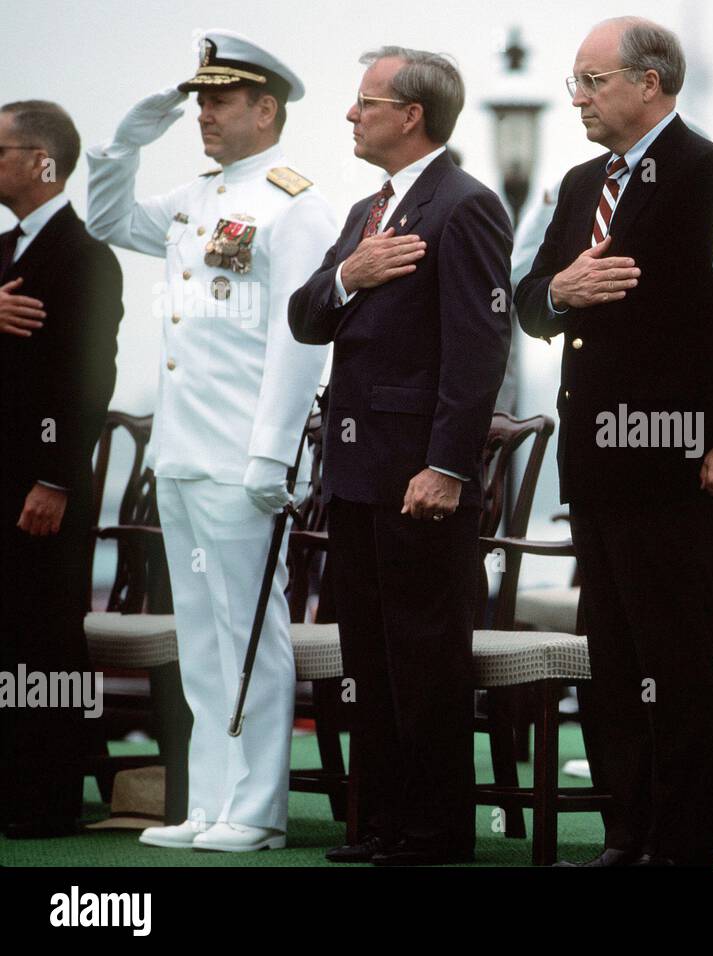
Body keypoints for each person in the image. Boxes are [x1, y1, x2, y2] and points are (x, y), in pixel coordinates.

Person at [516, 16, 713, 867]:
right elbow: (527, 302)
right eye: (576, 83)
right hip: (596, 459)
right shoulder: (580, 181)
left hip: (678, 463)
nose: (580, 98)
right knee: (613, 658)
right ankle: (625, 834)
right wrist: (562, 288)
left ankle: (679, 845)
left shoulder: (712, 175)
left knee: (673, 659)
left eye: (594, 81)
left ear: (651, 82)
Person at [86, 29, 336, 852]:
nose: (204, 115)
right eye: (199, 101)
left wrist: (273, 453)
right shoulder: (194, 200)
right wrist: (132, 134)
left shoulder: (292, 203)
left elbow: (299, 341)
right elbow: (108, 215)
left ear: (267, 109)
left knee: (248, 633)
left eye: (220, 100)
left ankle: (258, 811)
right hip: (184, 450)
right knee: (199, 632)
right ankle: (207, 803)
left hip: (240, 454)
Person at [289, 46, 512, 867]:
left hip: (419, 476)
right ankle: (381, 825)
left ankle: (434, 833)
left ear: (410, 114)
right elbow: (305, 316)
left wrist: (448, 465)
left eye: (364, 102)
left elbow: (479, 347)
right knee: (370, 661)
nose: (351, 115)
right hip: (354, 473)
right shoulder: (365, 214)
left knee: (424, 661)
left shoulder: (465, 206)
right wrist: (349, 275)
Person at [0, 101, 123, 838]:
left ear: (43, 160)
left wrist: (56, 479)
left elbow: (87, 382)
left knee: (44, 636)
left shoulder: (84, 256)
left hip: (40, 484)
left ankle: (47, 797)